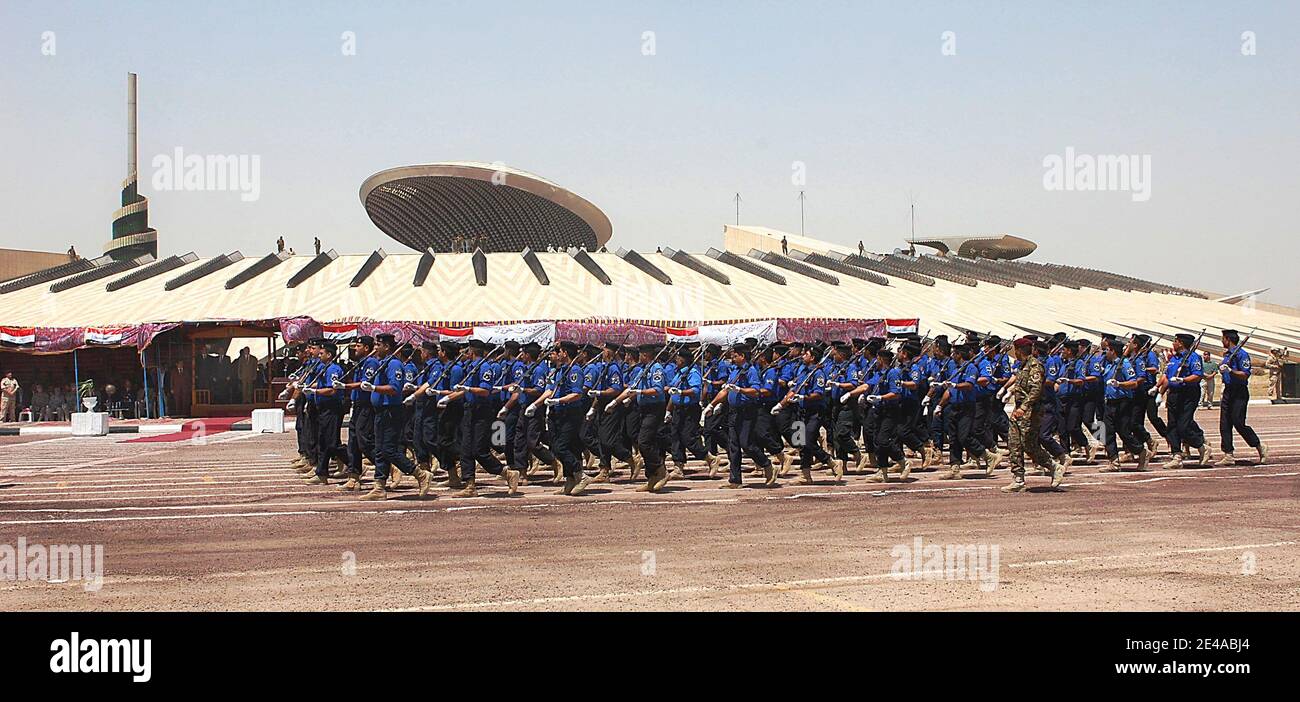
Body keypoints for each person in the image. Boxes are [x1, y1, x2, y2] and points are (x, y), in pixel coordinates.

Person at [360, 334, 436, 500]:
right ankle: (379, 486)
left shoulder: (394, 364)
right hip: (380, 411)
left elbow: (395, 388)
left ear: (387, 346)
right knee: (380, 450)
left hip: (391, 411)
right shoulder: (382, 363)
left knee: (389, 449)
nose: (375, 348)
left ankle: (420, 473)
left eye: (378, 345)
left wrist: (374, 388)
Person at [1001, 336, 1066, 492]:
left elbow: (1035, 390)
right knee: (1014, 443)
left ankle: (1054, 466)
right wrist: (1008, 392)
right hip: (1019, 411)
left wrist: (1023, 407)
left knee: (1029, 445)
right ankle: (1018, 479)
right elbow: (1021, 387)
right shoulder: (1023, 366)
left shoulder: (1035, 366)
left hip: (1031, 412)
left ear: (1019, 350)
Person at [1158, 333, 1212, 469]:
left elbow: (1197, 376)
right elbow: (1166, 376)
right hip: (1174, 394)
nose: (1173, 344)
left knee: (1183, 426)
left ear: (1181, 343)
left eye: (1175, 341)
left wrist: (1183, 380)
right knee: (1172, 426)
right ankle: (1176, 455)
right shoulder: (1173, 359)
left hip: (1188, 394)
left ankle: (1201, 445)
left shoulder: (1193, 357)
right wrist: (1159, 391)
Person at [1215, 329, 1268, 466]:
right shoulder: (1227, 355)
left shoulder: (1242, 355)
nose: (1222, 341)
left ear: (1228, 339)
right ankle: (1228, 454)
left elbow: (1245, 374)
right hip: (1228, 390)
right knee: (1224, 423)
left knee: (1238, 422)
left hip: (1239, 392)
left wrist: (1230, 371)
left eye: (1223, 338)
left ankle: (1259, 445)